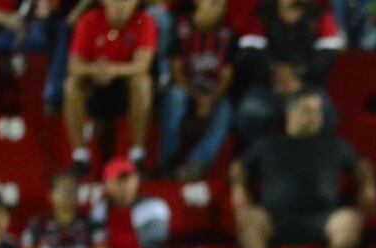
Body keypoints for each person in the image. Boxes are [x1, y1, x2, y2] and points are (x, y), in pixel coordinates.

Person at [231, 90, 376, 248]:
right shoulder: (268, 143)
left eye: (319, 112)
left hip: (323, 218)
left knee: (350, 221)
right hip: (276, 218)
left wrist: (369, 186)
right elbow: (239, 168)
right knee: (248, 219)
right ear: (291, 112)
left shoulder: (335, 144)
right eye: (308, 111)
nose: (316, 117)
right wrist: (239, 189)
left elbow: (362, 167)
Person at [63, 0, 158, 176]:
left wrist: (113, 70)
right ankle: (80, 156)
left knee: (143, 83)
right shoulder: (89, 20)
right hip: (95, 85)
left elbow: (142, 66)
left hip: (124, 87)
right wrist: (95, 70)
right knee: (72, 85)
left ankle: (137, 155)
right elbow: (74, 65)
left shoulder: (144, 21)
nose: (121, 5)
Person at [235, 0, 344, 141]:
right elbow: (251, 53)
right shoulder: (261, 15)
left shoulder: (320, 16)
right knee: (249, 114)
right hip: (267, 85)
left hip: (307, 85)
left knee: (327, 116)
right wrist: (277, 75)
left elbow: (327, 56)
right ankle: (261, 153)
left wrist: (299, 74)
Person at [157, 0, 237, 182]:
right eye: (214, 4)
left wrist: (209, 98)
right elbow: (177, 71)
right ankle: (167, 159)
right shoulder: (181, 28)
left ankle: (196, 162)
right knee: (175, 96)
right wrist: (197, 97)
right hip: (187, 87)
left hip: (213, 92)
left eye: (222, 5)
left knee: (225, 108)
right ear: (199, 3)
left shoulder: (228, 34)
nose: (220, 9)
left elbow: (227, 77)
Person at [0, 0, 69, 117]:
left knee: (62, 29)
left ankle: (54, 101)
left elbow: (54, 9)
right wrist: (5, 19)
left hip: (32, 32)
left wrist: (46, 12)